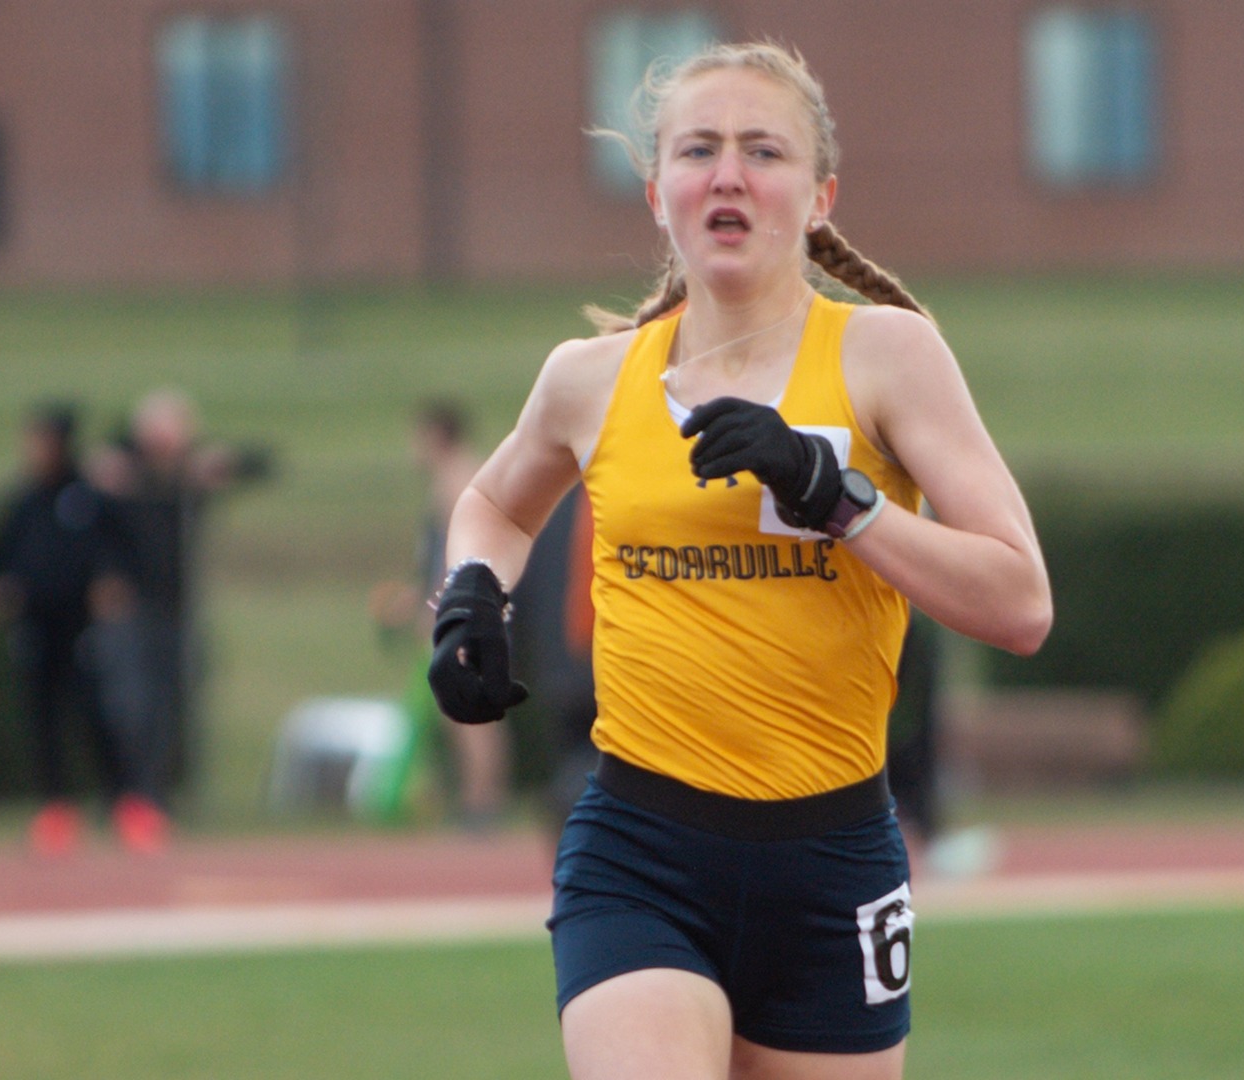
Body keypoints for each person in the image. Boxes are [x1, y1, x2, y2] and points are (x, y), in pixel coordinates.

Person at [424, 43, 1051, 1079]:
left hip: (834, 860)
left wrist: (833, 496)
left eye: (763, 152)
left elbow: (1021, 603)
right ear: (656, 193)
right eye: (698, 150)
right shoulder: (589, 380)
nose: (727, 175)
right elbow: (493, 501)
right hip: (642, 848)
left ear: (818, 196)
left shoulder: (887, 356)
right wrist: (472, 592)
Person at [0, 403, 163, 855]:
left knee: (99, 718)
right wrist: (2, 588)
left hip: (81, 627)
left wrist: (113, 582)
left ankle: (128, 803)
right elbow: (1, 556)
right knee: (43, 722)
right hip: (38, 628)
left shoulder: (86, 498)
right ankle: (56, 809)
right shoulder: (24, 502)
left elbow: (122, 552)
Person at [89, 388, 271, 814]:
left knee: (170, 706)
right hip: (131, 609)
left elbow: (262, 462)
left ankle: (153, 799)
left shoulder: (187, 481)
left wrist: (220, 464)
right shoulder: (118, 476)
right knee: (128, 704)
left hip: (177, 608)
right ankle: (125, 793)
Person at [370, 399, 511, 826]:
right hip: (469, 601)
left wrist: (437, 606)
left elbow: (458, 556)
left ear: (437, 435)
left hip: (467, 606)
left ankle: (482, 803)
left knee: (471, 711)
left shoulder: (455, 479)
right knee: (465, 708)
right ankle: (479, 799)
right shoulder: (463, 474)